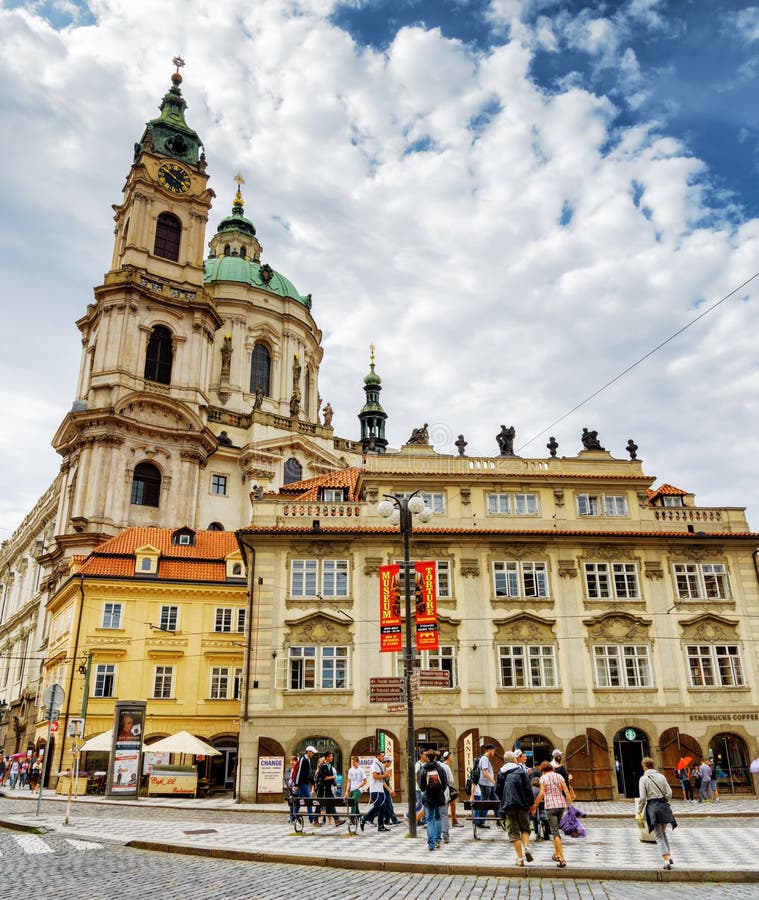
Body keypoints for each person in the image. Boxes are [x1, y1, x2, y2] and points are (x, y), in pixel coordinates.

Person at [635, 757, 677, 870]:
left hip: (653, 807)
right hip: (664, 806)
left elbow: (643, 798)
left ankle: (666, 861)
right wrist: (665, 801)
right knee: (663, 833)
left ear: (644, 766)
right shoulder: (661, 776)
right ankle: (669, 856)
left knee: (658, 835)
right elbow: (669, 792)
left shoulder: (643, 779)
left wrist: (639, 810)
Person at [497, 750, 535, 866]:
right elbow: (528, 789)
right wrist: (530, 803)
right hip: (522, 804)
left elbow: (497, 790)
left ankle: (519, 859)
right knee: (525, 828)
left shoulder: (501, 772)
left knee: (513, 833)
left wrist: (504, 800)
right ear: (514, 759)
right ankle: (527, 847)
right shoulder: (520, 771)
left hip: (508, 805)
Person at [532, 760, 572, 868]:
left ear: (543, 770)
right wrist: (570, 806)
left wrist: (535, 805)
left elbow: (541, 793)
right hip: (561, 805)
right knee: (556, 831)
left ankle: (562, 859)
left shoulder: (543, 778)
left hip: (550, 806)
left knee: (555, 832)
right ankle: (556, 854)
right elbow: (566, 791)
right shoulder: (559, 776)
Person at [419, 750, 447, 852]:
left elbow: (421, 786)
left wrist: (426, 791)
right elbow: (444, 783)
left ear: (426, 757)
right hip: (439, 796)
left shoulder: (423, 769)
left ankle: (431, 845)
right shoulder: (440, 768)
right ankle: (438, 840)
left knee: (429, 820)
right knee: (438, 818)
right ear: (435, 757)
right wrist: (440, 791)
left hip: (428, 797)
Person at [360, 749, 391, 832]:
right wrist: (385, 775)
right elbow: (375, 776)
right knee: (377, 807)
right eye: (382, 756)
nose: (383, 757)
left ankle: (381, 826)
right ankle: (364, 818)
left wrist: (388, 788)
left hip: (380, 789)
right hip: (375, 789)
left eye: (384, 756)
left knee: (383, 807)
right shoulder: (375, 764)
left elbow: (381, 779)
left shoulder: (379, 764)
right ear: (377, 756)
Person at [316, 750, 343, 827]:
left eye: (332, 756)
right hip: (323, 788)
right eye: (331, 756)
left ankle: (336, 819)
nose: (332, 757)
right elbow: (323, 777)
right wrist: (332, 777)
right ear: (327, 757)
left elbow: (331, 778)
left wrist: (334, 783)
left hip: (328, 788)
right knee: (319, 803)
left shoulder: (329, 766)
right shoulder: (323, 766)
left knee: (331, 803)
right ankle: (315, 819)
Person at [291, 746, 317, 824]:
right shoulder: (303, 759)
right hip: (301, 784)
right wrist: (296, 784)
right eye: (312, 753)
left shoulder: (308, 760)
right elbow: (299, 772)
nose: (313, 754)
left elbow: (308, 774)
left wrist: (313, 782)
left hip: (303, 783)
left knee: (300, 801)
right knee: (309, 800)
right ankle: (311, 819)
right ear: (308, 752)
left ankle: (292, 818)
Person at [474, 744, 497, 828]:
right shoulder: (484, 759)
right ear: (489, 750)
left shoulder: (486, 759)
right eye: (493, 751)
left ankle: (500, 820)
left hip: (489, 785)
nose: (494, 753)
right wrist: (493, 781)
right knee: (484, 804)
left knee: (495, 801)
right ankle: (479, 822)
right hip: (486, 785)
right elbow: (485, 772)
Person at [441, 750, 463, 829]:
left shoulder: (442, 765)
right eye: (451, 756)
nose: (452, 758)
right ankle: (451, 821)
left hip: (443, 788)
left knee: (451, 805)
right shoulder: (446, 767)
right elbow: (451, 781)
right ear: (448, 757)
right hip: (447, 789)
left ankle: (454, 820)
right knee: (448, 806)